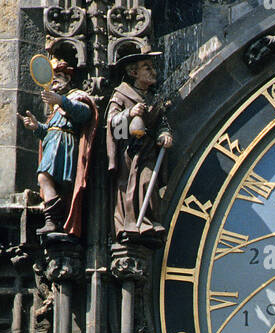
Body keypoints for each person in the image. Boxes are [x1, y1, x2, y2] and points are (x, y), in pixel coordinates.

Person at [19, 57, 96, 235]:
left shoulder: (76, 96)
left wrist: (61, 100)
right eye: (51, 77)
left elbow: (84, 114)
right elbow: (50, 132)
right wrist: (37, 127)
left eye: (57, 77)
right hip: (54, 142)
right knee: (51, 182)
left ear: (68, 79)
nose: (53, 80)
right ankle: (55, 219)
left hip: (64, 143)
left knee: (44, 177)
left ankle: (53, 217)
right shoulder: (55, 107)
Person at [106, 46, 172, 238]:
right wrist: (129, 113)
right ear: (133, 72)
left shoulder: (152, 98)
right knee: (131, 184)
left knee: (148, 180)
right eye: (147, 68)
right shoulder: (121, 94)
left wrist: (164, 134)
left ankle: (148, 220)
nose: (154, 72)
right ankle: (131, 222)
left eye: (153, 67)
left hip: (148, 150)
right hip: (129, 151)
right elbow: (112, 123)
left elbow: (162, 122)